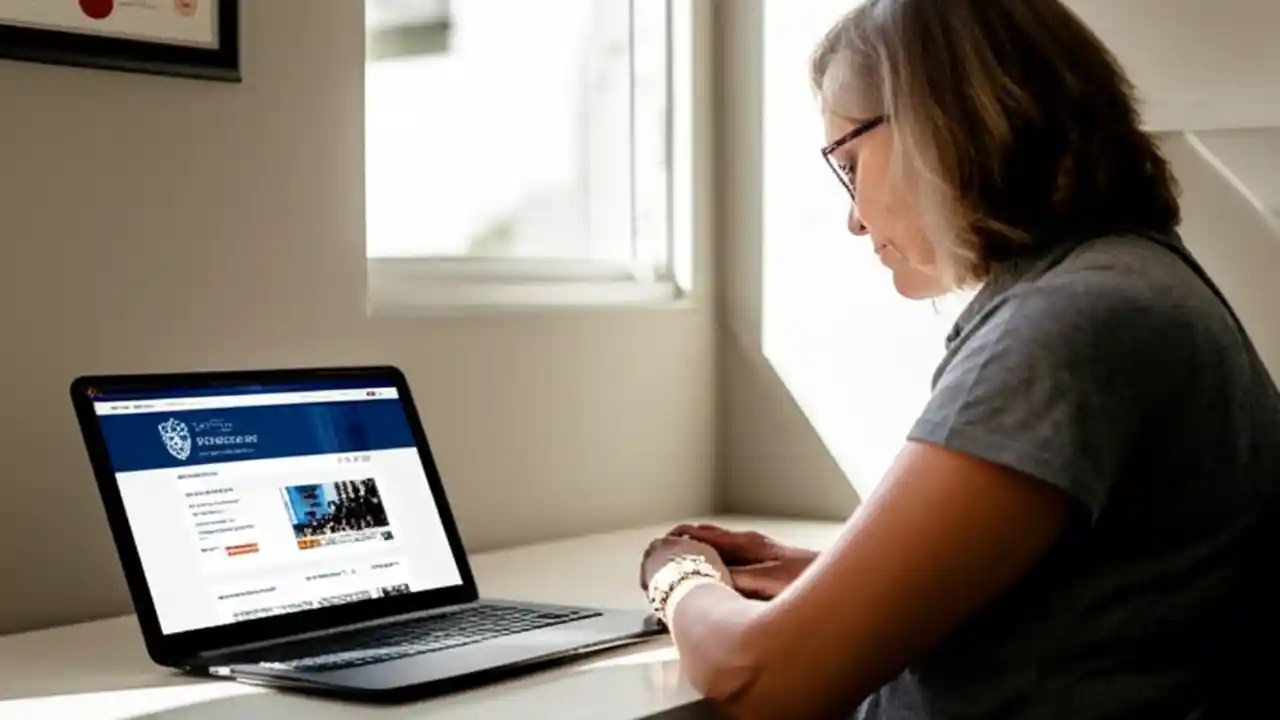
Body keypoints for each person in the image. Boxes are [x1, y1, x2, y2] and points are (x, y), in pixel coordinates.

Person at [638, 1, 1280, 718]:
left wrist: (681, 577)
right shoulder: (1136, 284)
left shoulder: (1069, 327)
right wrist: (829, 584)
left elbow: (765, 681)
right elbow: (1086, 607)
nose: (853, 216)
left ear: (935, 122)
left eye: (849, 162)